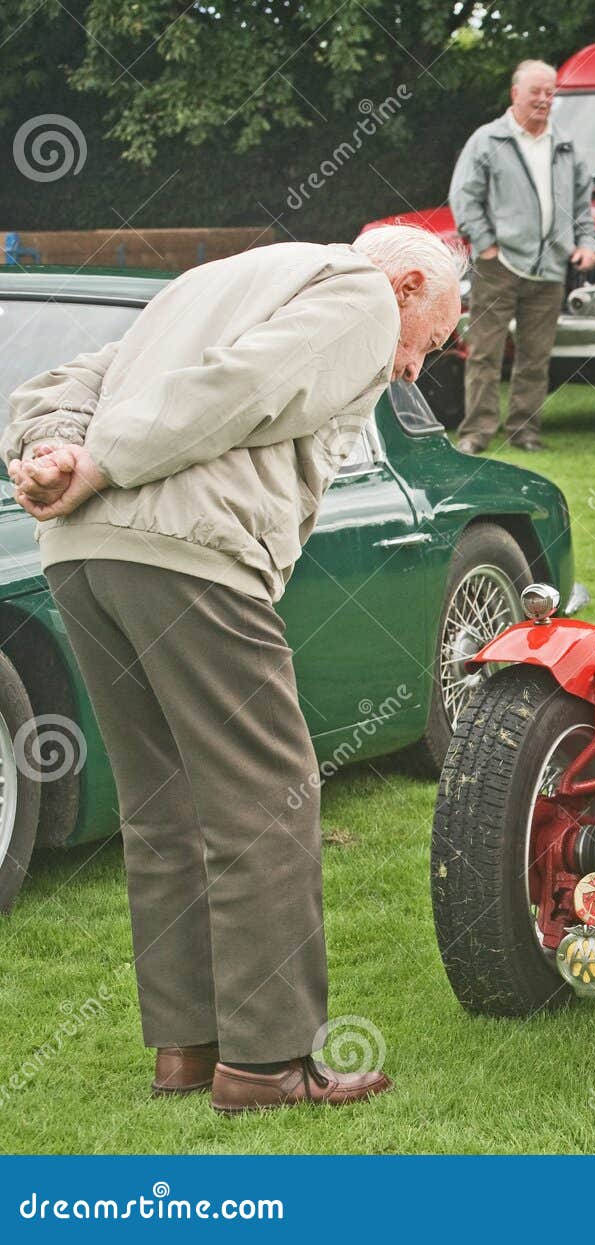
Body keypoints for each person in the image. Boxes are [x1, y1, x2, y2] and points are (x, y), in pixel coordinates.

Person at [2, 226, 462, 1113]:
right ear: (406, 284)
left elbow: (65, 383)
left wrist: (52, 448)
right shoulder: (360, 295)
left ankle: (187, 1048)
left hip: (81, 556)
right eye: (429, 344)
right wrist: (99, 461)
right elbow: (246, 391)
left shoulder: (210, 281)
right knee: (270, 795)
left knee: (162, 804)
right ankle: (268, 1062)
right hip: (190, 553)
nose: (411, 371)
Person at [449, 59, 595, 453]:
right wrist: (486, 245)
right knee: (484, 352)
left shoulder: (565, 146)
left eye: (551, 92)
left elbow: (582, 206)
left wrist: (586, 244)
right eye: (537, 91)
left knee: (536, 356)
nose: (545, 99)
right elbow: (464, 196)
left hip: (550, 266)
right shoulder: (487, 139)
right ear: (515, 93)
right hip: (499, 265)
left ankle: (524, 431)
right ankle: (476, 433)